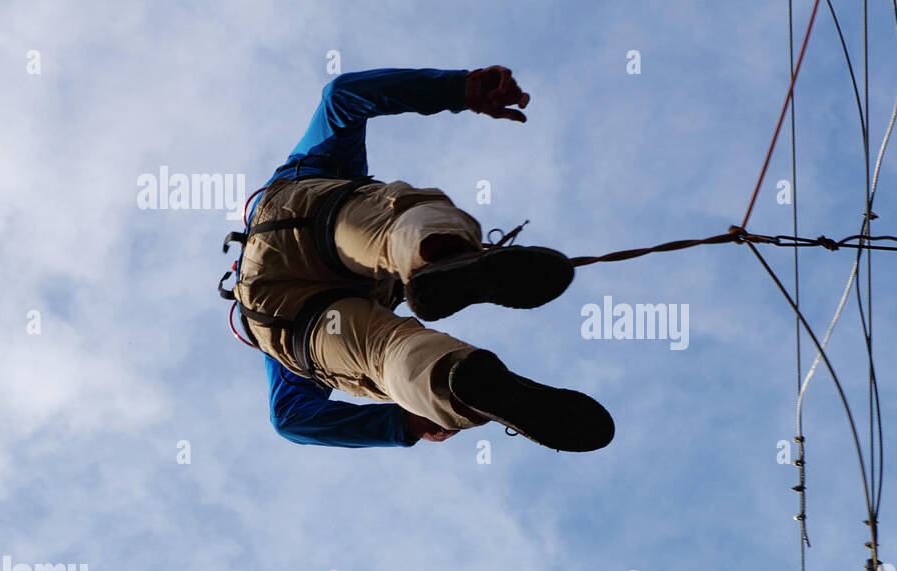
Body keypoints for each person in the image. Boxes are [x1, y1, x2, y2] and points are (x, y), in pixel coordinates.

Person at [226, 66, 613, 452]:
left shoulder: (320, 163)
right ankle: (435, 254)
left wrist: (402, 422)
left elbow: (290, 417)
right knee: (391, 233)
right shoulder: (320, 164)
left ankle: (446, 377)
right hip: (300, 226)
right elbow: (340, 95)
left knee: (384, 352)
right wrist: (462, 89)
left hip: (280, 317)